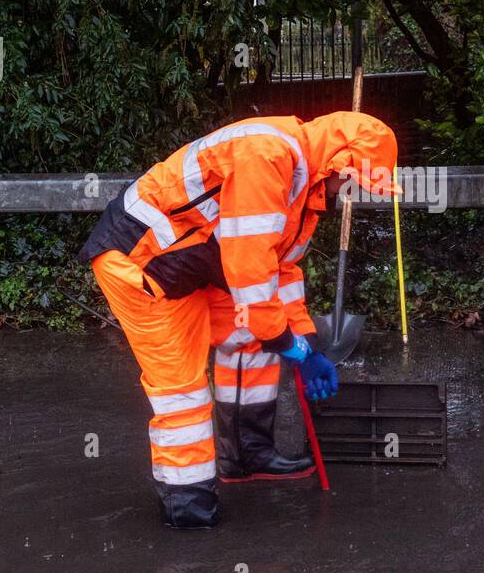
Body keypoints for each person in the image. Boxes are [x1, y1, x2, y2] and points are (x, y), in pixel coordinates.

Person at [79, 112, 399, 527]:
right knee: (183, 393)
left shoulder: (304, 190)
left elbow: (281, 272)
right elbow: (250, 274)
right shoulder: (266, 155)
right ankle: (187, 503)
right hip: (141, 264)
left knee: (252, 338)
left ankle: (247, 454)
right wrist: (290, 348)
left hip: (197, 265)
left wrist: (307, 342)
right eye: (354, 180)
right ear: (339, 162)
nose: (351, 192)